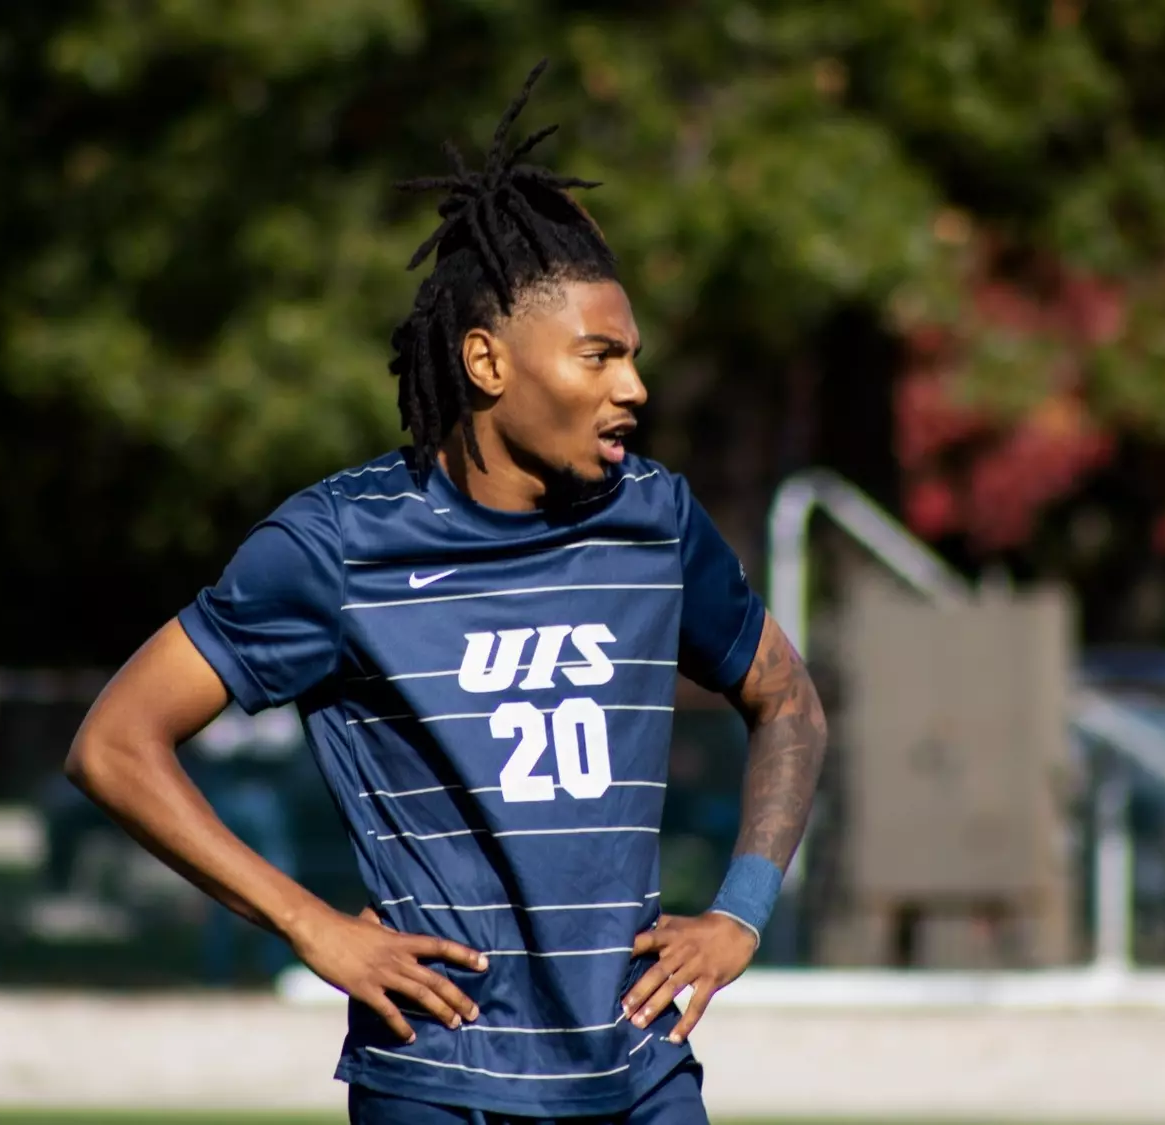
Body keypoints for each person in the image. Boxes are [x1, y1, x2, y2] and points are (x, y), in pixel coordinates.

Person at [66, 59, 828, 1125]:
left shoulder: (657, 522)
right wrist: (309, 925)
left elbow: (788, 700)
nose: (634, 389)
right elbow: (113, 745)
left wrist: (741, 914)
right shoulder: (335, 546)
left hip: (643, 1077)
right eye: (598, 356)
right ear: (486, 361)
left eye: (634, 359)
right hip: (438, 1082)